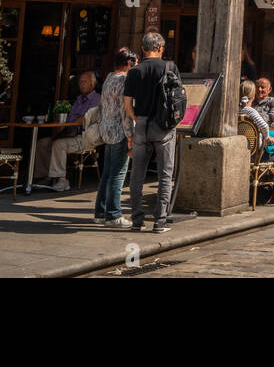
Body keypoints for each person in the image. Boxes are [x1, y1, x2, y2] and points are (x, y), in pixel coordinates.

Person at [124, 31, 179, 233]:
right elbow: (178, 98)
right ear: (161, 48)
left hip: (142, 124)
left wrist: (136, 119)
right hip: (163, 125)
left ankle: (137, 220)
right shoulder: (170, 67)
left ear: (143, 49)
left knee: (137, 174)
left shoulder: (134, 72)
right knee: (165, 174)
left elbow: (127, 103)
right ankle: (160, 220)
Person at [37, 70, 101, 189]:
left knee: (58, 144)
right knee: (42, 143)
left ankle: (62, 180)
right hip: (70, 134)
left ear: (93, 84)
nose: (81, 84)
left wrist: (68, 125)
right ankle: (46, 176)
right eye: (80, 82)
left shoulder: (97, 99)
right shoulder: (79, 100)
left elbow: (85, 118)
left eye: (84, 82)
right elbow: (70, 117)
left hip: (84, 136)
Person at [94, 49, 136, 227]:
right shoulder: (124, 80)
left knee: (107, 174)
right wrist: (130, 136)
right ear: (128, 64)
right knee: (118, 174)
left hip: (106, 128)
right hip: (119, 130)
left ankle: (100, 212)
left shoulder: (109, 78)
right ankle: (113, 214)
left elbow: (103, 106)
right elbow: (125, 111)